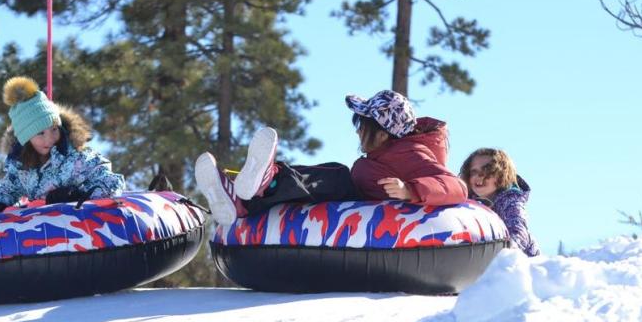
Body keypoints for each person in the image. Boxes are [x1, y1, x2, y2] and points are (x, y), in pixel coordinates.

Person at [194, 90, 468, 225]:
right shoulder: (385, 151)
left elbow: (457, 187)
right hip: (357, 197)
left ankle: (269, 181)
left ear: (384, 134)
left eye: (363, 125)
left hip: (368, 208)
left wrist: (410, 190)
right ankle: (243, 199)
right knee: (326, 176)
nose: (358, 132)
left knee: (337, 176)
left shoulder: (411, 153)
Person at [0, 76, 125, 216]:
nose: (50, 139)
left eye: (54, 129)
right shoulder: (20, 166)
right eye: (40, 133)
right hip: (48, 234)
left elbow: (111, 181)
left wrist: (77, 194)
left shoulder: (77, 157)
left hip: (80, 229)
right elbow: (10, 188)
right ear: (26, 139)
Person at [459, 148, 540, 257]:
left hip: (517, 262)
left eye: (487, 171)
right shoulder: (467, 204)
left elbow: (518, 229)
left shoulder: (510, 201)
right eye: (474, 172)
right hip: (481, 258)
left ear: (501, 175)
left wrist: (510, 248)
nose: (479, 176)